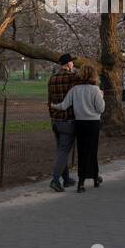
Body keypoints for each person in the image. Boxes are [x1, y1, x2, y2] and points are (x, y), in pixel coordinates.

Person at [52, 64, 105, 190]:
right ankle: (94, 176)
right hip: (93, 123)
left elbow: (64, 105)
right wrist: (101, 97)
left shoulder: (75, 89)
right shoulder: (95, 90)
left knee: (82, 152)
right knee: (92, 151)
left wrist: (52, 105)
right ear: (94, 75)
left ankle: (81, 181)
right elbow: (101, 108)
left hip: (80, 123)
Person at [47, 53, 77, 192]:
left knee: (61, 149)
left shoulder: (52, 79)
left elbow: (49, 100)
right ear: (69, 64)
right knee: (64, 151)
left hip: (55, 119)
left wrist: (52, 115)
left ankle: (66, 179)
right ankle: (55, 179)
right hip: (68, 119)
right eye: (72, 63)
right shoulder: (72, 78)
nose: (73, 65)